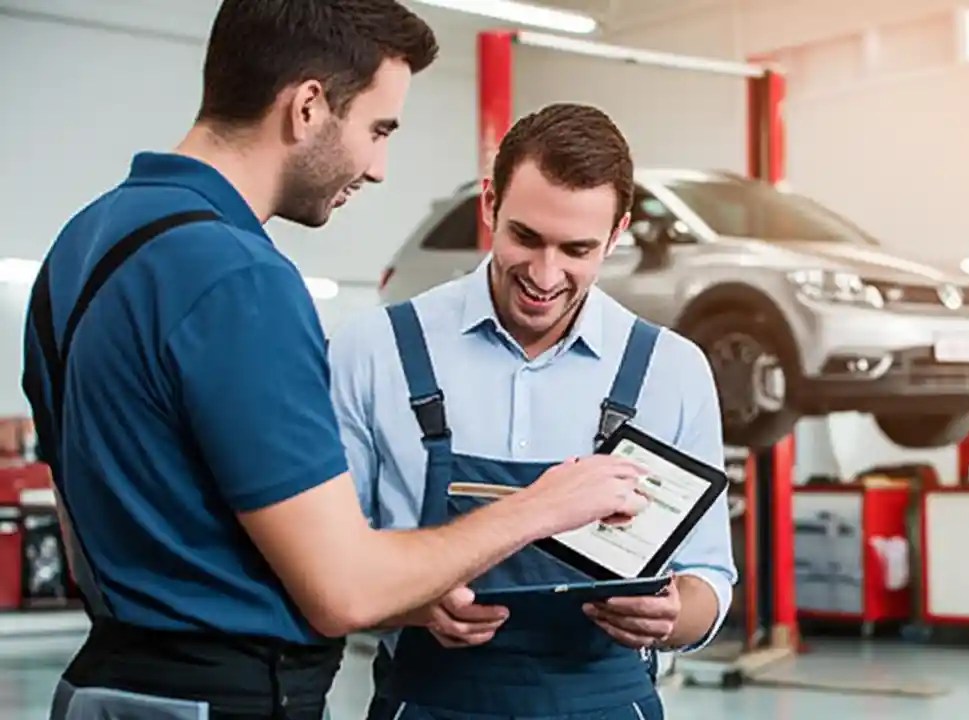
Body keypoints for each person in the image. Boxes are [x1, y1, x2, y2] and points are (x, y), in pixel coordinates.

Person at [22, 4, 648, 719]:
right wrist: (542, 507)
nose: (379, 168)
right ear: (309, 107)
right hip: (222, 697)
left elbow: (82, 539)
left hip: (105, 686)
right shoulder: (238, 278)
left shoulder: (85, 243)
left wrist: (415, 588)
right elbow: (343, 592)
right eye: (379, 129)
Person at [326, 102, 738, 720]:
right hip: (429, 702)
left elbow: (709, 574)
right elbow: (329, 563)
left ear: (617, 233)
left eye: (577, 249)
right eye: (525, 237)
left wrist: (676, 613)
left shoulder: (670, 372)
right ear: (490, 205)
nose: (545, 275)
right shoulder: (376, 351)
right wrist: (410, 604)